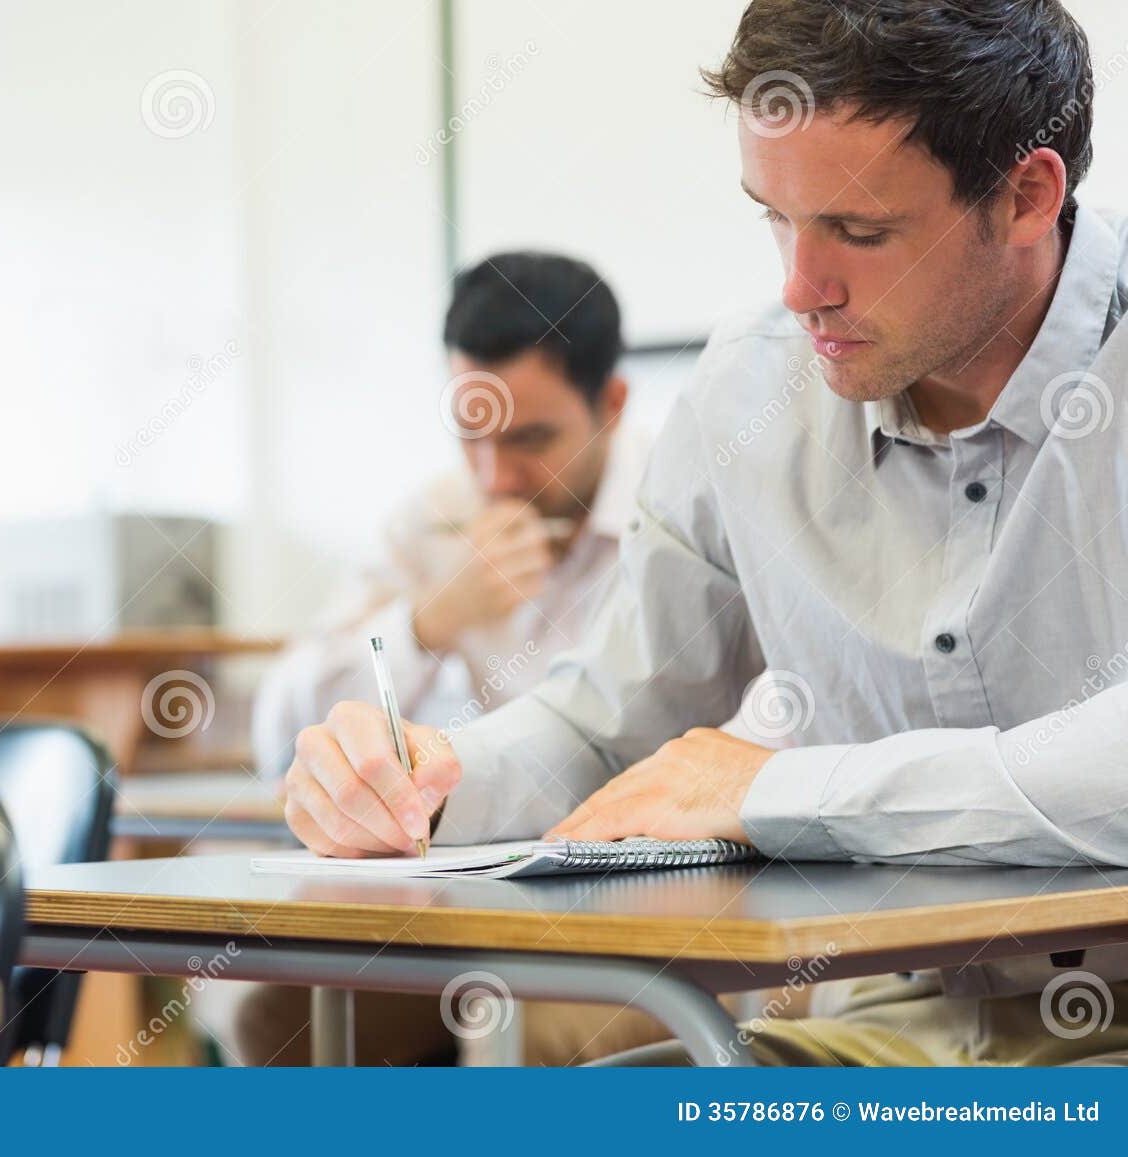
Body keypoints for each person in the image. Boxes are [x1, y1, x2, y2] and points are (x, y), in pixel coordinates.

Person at [283, 0, 1128, 1066]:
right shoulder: (749, 392)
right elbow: (608, 727)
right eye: (773, 217)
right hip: (912, 1028)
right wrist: (437, 775)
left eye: (858, 233)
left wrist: (769, 791)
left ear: (1025, 195)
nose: (798, 287)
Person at [237, 252, 766, 1065]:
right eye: (472, 435)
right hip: (459, 894)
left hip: (648, 897)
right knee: (278, 1020)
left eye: (531, 438)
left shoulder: (690, 501)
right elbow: (282, 726)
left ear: (613, 404)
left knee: (533, 1030)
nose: (497, 475)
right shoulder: (439, 519)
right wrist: (430, 620)